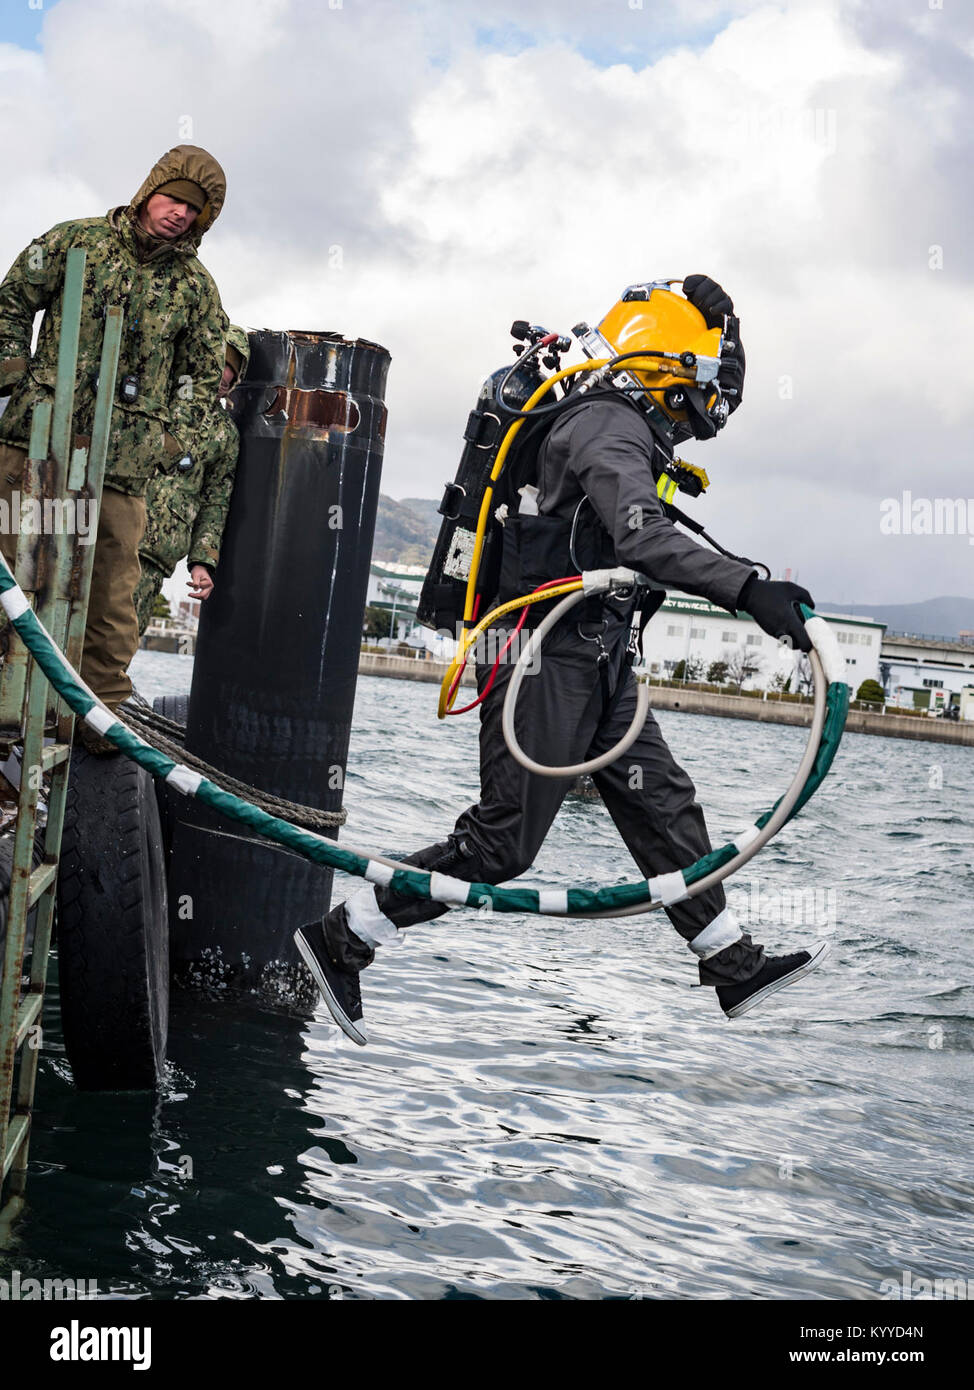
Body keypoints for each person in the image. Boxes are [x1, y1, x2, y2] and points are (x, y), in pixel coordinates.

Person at [295, 275, 830, 1044]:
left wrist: (721, 314)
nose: (702, 415)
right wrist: (750, 592)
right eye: (698, 392)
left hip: (596, 651)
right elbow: (644, 536)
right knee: (502, 844)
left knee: (664, 807)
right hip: (545, 655)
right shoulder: (607, 425)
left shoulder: (617, 424)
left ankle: (731, 965)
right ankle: (342, 937)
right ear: (663, 369)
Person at [0, 144, 229, 743]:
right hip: (35, 443)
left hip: (123, 468)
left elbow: (202, 375)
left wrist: (165, 437)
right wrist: (15, 380)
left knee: (111, 602)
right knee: (18, 574)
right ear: (149, 191)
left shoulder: (196, 289)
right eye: (174, 199)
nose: (180, 214)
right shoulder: (75, 241)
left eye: (194, 210)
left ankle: (96, 723)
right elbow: (11, 303)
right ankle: (4, 713)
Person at [134, 324, 249, 634]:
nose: (225, 374)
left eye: (233, 368)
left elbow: (215, 502)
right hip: (109, 534)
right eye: (222, 361)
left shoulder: (225, 435)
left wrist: (202, 562)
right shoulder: (160, 394)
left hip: (157, 554)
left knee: (117, 643)